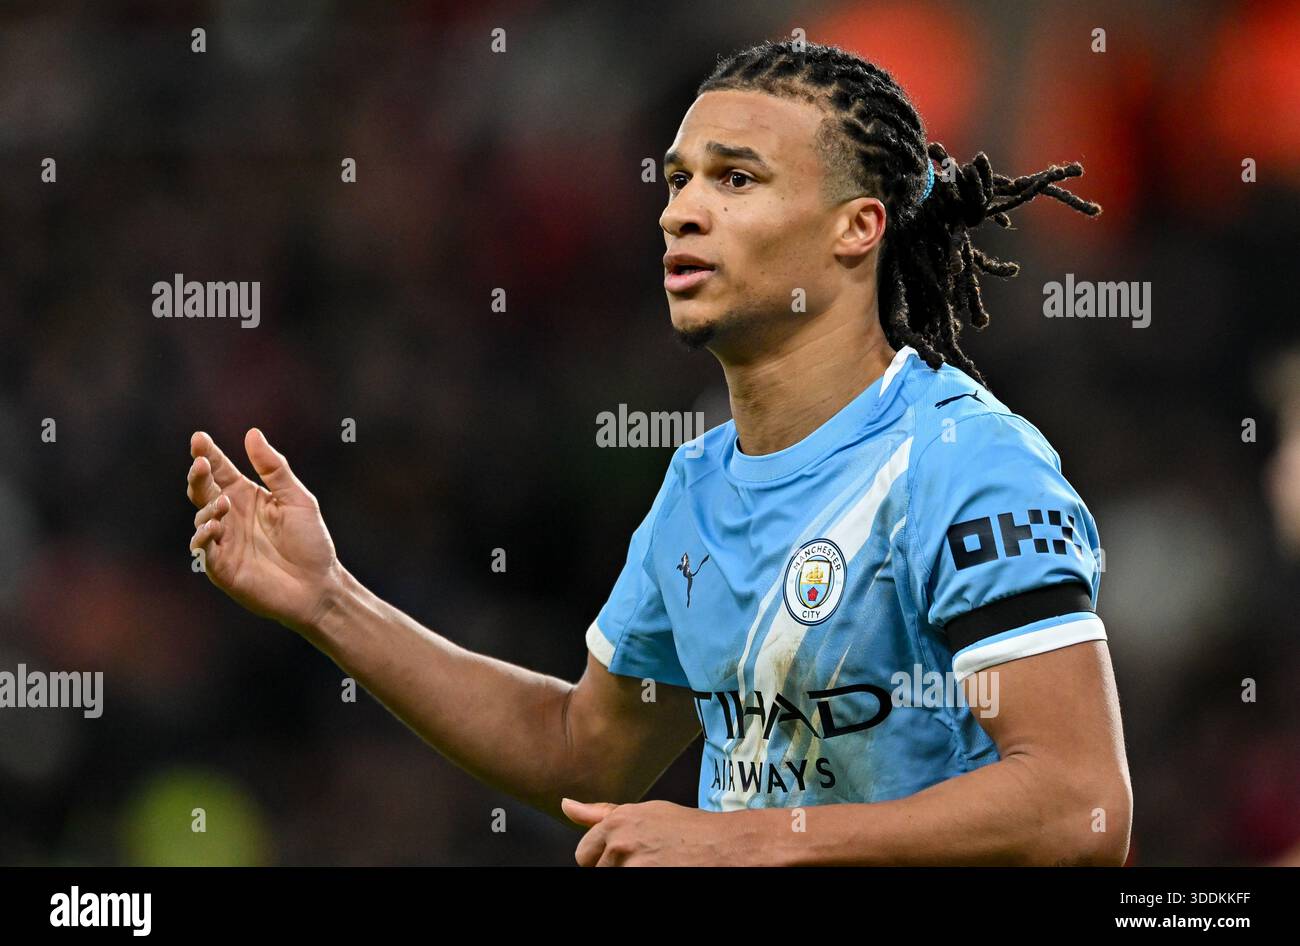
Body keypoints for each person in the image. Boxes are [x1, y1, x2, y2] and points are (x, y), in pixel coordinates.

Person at [186, 40, 1131, 866]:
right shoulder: (699, 486)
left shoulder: (963, 462)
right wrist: (328, 600)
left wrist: (751, 841)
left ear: (858, 227)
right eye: (678, 180)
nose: (682, 211)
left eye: (736, 178)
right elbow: (581, 750)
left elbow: (1082, 807)